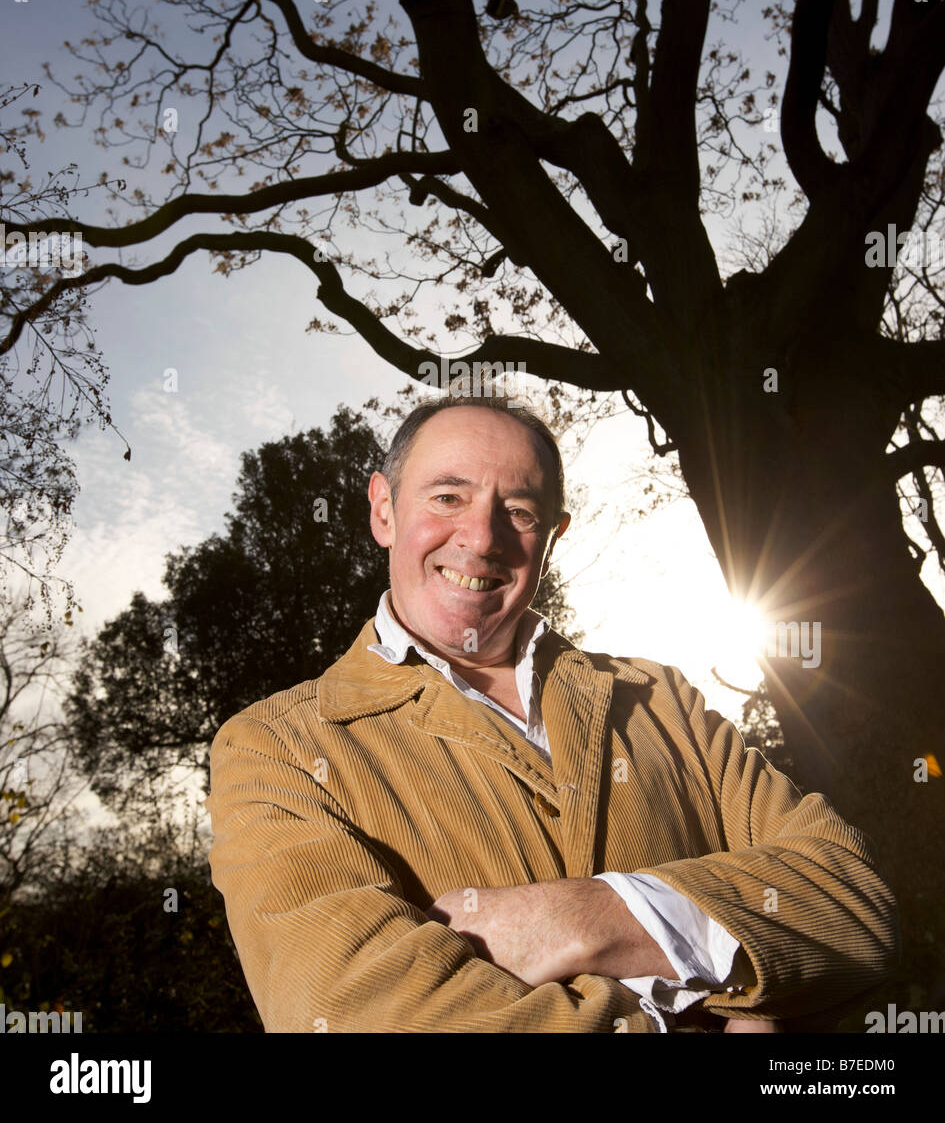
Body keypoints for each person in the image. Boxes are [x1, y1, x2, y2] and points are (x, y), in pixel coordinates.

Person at [206, 394, 898, 1033]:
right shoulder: (276, 746)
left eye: (519, 511)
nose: (480, 538)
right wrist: (685, 999)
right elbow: (351, 1011)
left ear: (552, 535)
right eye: (447, 497)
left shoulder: (662, 700)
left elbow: (854, 903)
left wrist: (582, 919)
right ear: (382, 509)